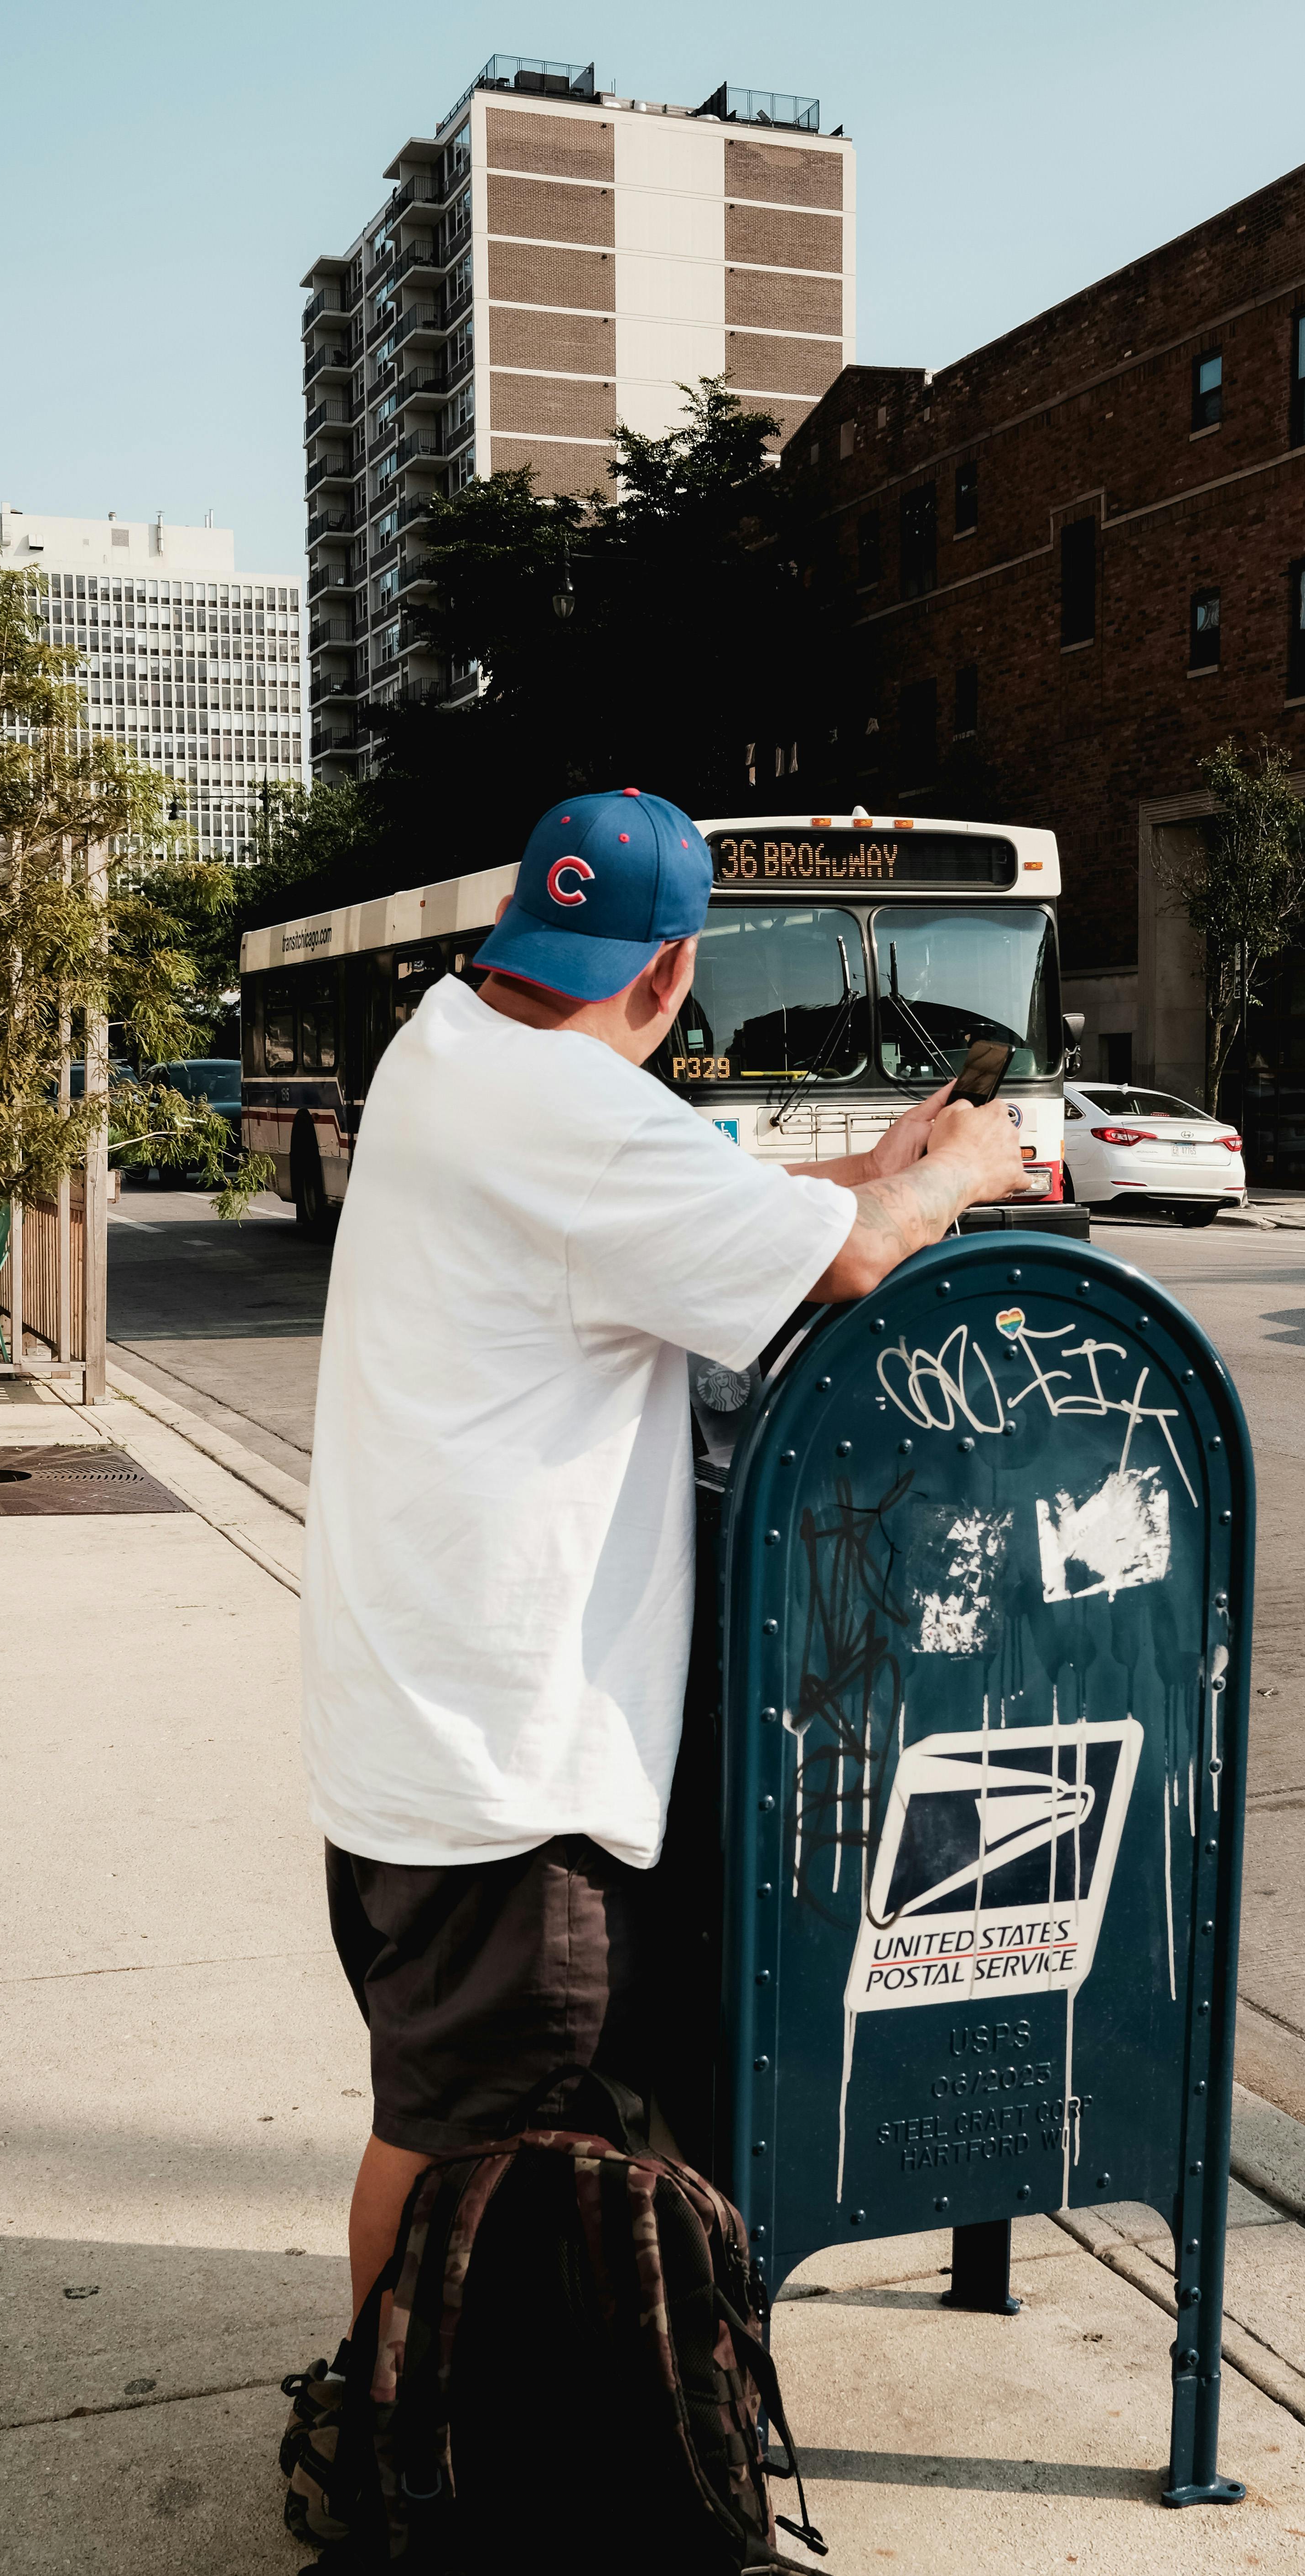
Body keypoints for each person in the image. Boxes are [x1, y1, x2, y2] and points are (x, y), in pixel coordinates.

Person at [302, 787, 1026, 2317]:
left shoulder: (453, 1049)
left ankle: (424, 2430)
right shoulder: (579, 1116)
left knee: (458, 2109)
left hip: (417, 1725)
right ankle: (396, 2456)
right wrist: (959, 1170)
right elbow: (842, 1260)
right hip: (510, 1767)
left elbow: (709, 1209)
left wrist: (867, 1166)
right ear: (671, 974)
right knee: (463, 2131)